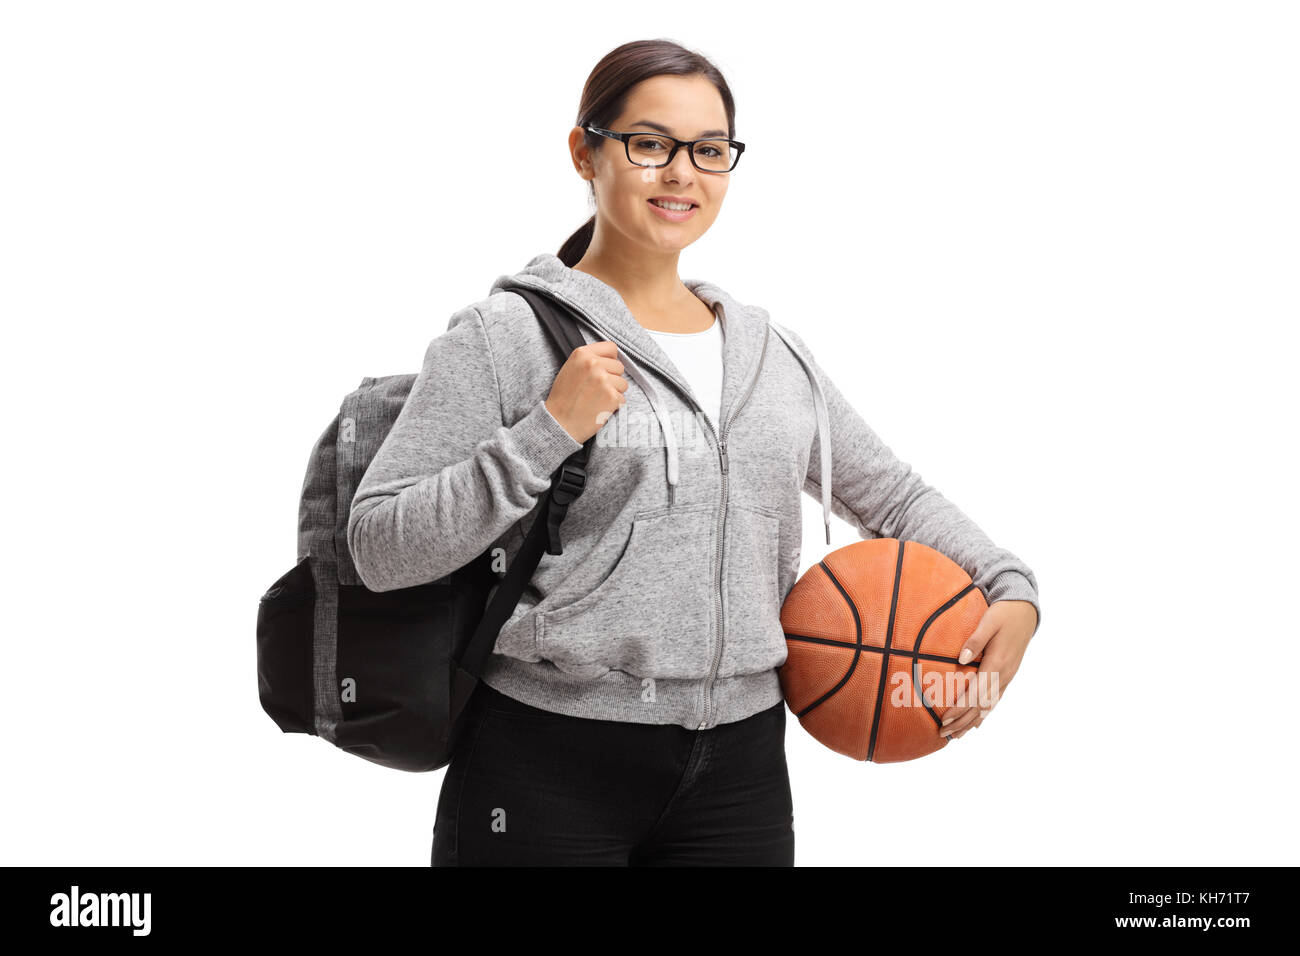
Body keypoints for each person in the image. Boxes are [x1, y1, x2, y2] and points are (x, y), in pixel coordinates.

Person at [346, 38, 1041, 866]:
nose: (682, 172)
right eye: (649, 143)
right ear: (585, 153)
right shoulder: (507, 337)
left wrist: (1012, 589)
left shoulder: (769, 353)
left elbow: (890, 496)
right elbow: (379, 546)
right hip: (546, 759)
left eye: (709, 151)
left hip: (740, 769)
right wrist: (547, 431)